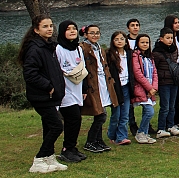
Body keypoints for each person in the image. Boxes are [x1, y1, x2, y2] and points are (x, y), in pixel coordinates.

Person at [20, 15, 68, 173]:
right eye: (45, 26)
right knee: (56, 126)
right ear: (36, 30)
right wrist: (48, 86)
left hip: (50, 96)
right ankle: (39, 159)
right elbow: (30, 74)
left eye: (51, 26)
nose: (49, 29)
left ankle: (49, 157)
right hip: (41, 96)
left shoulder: (49, 47)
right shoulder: (35, 48)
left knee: (49, 127)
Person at [79, 25, 118, 153]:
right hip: (93, 84)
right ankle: (91, 141)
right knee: (100, 114)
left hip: (103, 83)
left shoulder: (100, 48)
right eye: (92, 33)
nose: (95, 35)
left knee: (102, 113)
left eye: (97, 33)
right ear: (86, 35)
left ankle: (98, 140)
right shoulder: (82, 48)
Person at [55, 20, 88, 163]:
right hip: (65, 90)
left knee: (76, 119)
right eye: (68, 29)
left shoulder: (78, 48)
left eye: (74, 28)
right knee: (73, 118)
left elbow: (83, 69)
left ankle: (72, 147)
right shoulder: (58, 49)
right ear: (62, 32)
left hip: (77, 87)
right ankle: (66, 149)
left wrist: (84, 88)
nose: (72, 31)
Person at [151, 27, 179, 138]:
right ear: (161, 39)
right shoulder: (157, 52)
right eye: (167, 38)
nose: (170, 40)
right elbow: (154, 68)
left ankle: (170, 125)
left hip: (174, 80)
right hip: (164, 82)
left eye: (171, 38)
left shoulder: (174, 49)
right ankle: (161, 128)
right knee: (165, 106)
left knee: (172, 105)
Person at [106, 31, 133, 145]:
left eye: (122, 39)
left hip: (126, 86)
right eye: (116, 39)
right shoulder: (110, 54)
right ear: (112, 41)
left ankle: (121, 137)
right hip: (115, 88)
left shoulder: (129, 53)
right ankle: (111, 134)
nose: (119, 41)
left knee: (125, 114)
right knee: (116, 114)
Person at [130, 34, 158, 144]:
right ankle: (140, 132)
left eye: (147, 42)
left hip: (150, 88)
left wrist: (154, 88)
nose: (145, 44)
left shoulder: (149, 56)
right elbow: (138, 73)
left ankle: (145, 134)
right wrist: (149, 88)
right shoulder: (135, 56)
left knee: (148, 111)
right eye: (142, 42)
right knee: (149, 111)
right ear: (137, 43)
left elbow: (155, 72)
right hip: (141, 87)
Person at [164, 15, 179, 129]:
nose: (178, 25)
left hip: (178, 69)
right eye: (175, 23)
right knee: (170, 99)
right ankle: (170, 122)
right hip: (169, 71)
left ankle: (177, 119)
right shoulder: (166, 39)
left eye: (178, 22)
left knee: (176, 96)